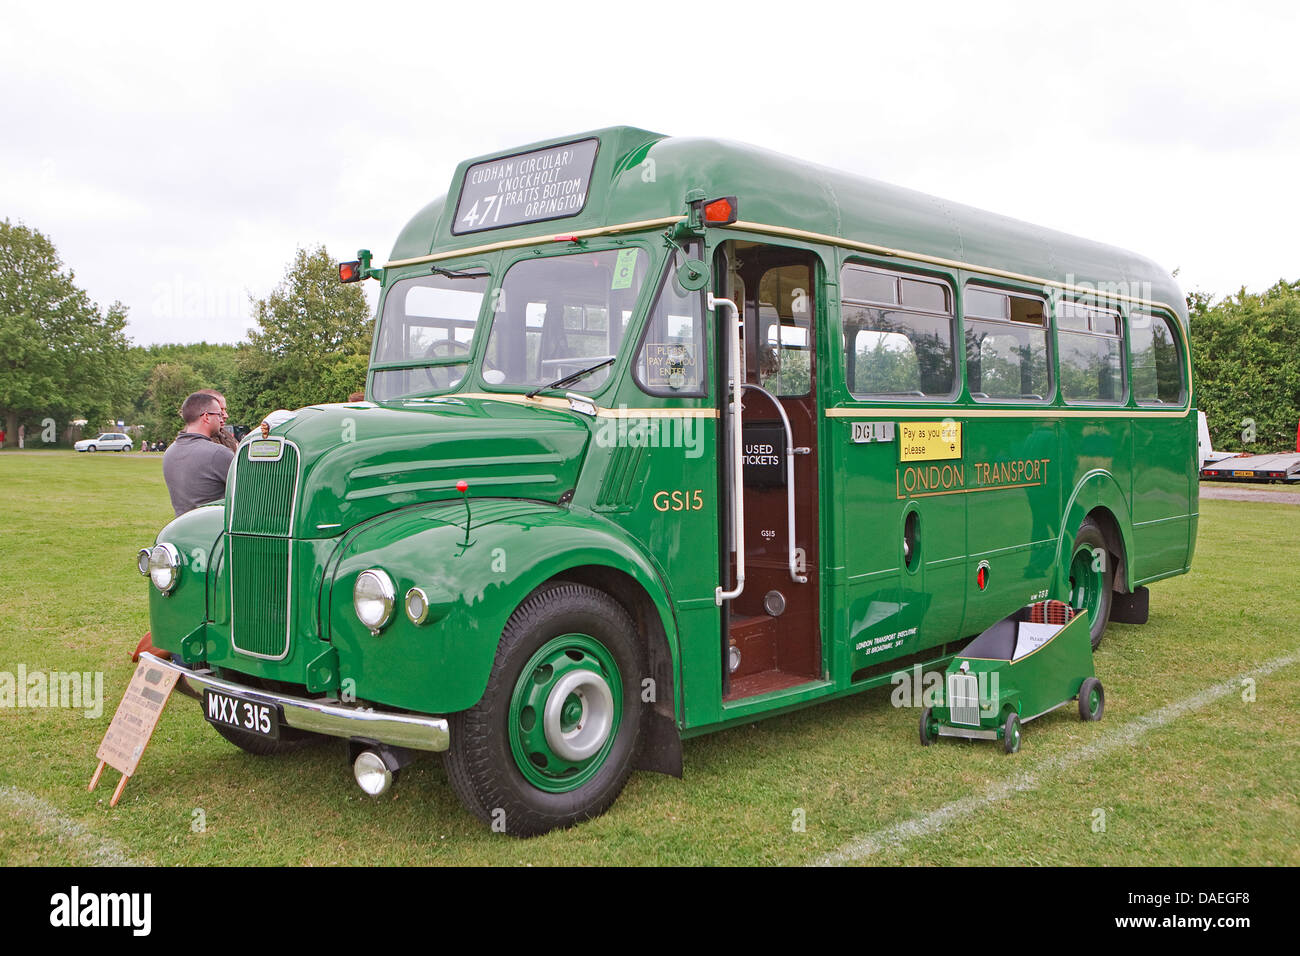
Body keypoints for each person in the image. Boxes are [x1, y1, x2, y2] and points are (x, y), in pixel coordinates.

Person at [162, 392, 236, 516]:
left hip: (181, 528)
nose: (221, 418)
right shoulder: (218, 453)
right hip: (212, 530)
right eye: (219, 414)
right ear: (206, 417)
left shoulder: (170, 452)